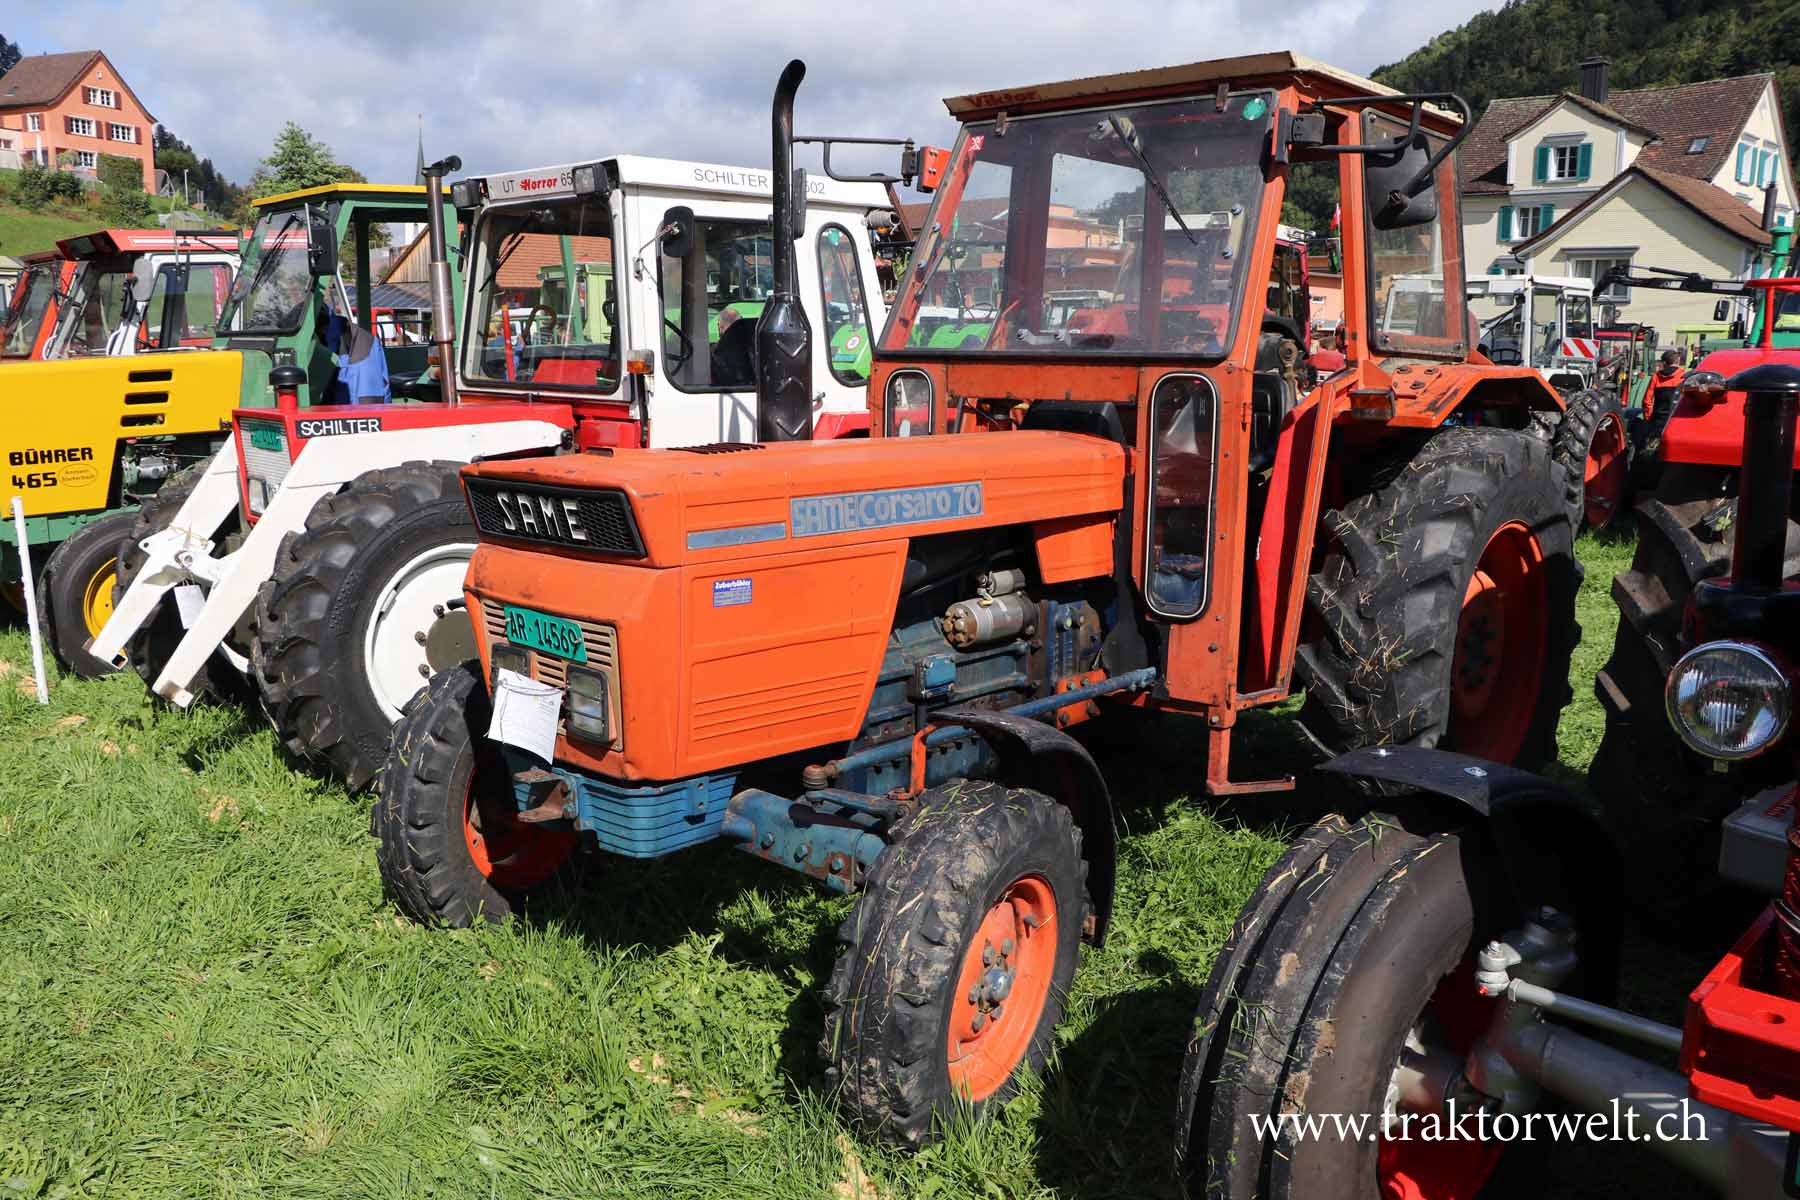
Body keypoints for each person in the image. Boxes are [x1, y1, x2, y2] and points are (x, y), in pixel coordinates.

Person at [322, 297, 390, 404]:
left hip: (351, 410)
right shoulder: (369, 339)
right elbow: (385, 385)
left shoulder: (320, 340)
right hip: (371, 409)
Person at [1647, 348, 1685, 432]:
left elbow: (1647, 400)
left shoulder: (1656, 377)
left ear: (1664, 363)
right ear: (1677, 361)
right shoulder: (1684, 376)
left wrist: (1649, 417)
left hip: (1658, 419)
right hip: (1676, 419)